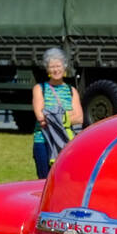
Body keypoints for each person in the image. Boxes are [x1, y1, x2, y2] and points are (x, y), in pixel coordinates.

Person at [31, 47, 82, 179]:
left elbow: (80, 118)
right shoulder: (39, 89)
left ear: (64, 67)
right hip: (43, 142)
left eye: (58, 66)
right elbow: (41, 117)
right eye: (52, 66)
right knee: (44, 181)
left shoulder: (71, 91)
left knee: (64, 181)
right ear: (47, 69)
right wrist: (67, 114)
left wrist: (53, 115)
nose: (56, 70)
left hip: (65, 143)